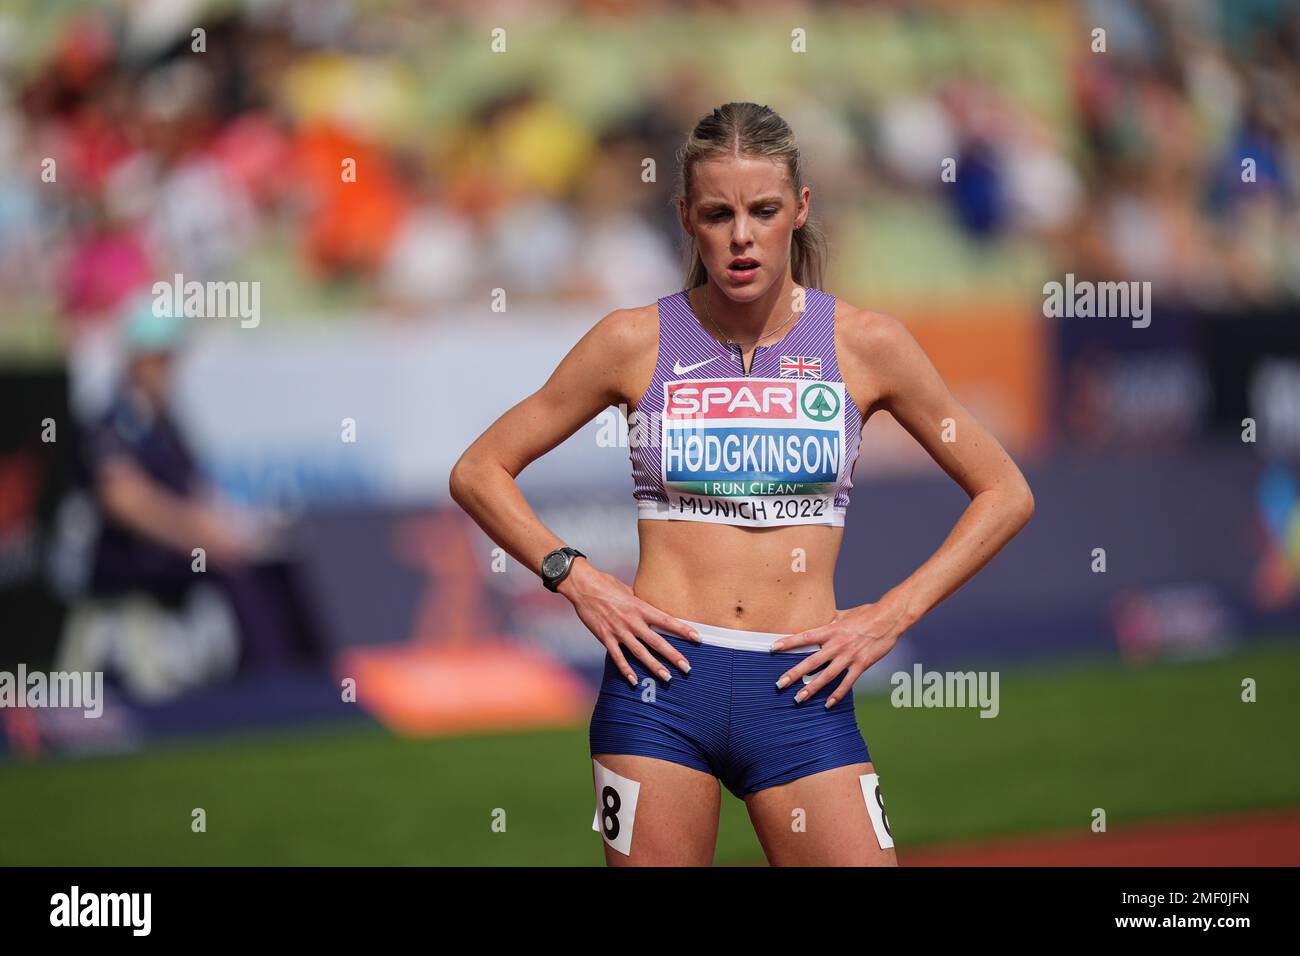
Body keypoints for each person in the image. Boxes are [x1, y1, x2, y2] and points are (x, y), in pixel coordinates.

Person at [449, 102, 1034, 866]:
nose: (742, 236)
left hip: (801, 694)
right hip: (657, 690)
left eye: (763, 210)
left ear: (800, 209)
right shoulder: (634, 341)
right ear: (686, 216)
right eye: (718, 213)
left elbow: (1005, 491)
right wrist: (577, 578)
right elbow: (478, 471)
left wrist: (890, 615)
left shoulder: (868, 346)